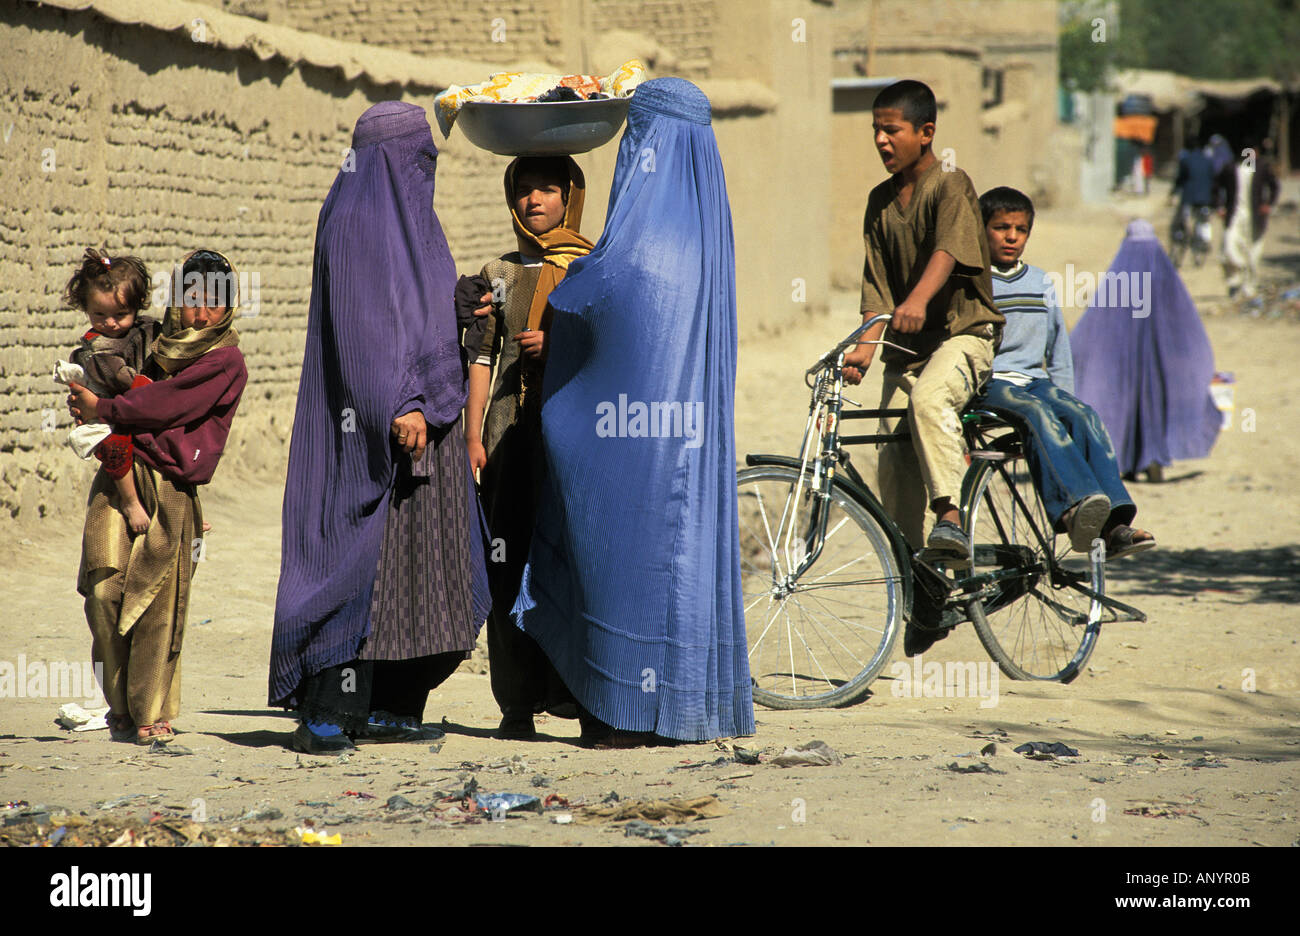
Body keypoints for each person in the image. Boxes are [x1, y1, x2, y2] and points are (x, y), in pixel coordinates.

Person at [511, 77, 754, 746]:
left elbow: (597, 297)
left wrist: (562, 283)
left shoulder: (643, 242)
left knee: (624, 562)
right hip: (684, 441)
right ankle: (679, 709)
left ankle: (621, 712)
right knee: (680, 565)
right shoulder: (707, 235)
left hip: (629, 445)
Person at [270, 101, 490, 756]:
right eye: (415, 159)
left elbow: (421, 313)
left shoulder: (417, 223)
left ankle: (394, 704)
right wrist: (399, 404)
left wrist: (462, 306)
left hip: (428, 429)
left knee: (417, 571)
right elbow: (364, 330)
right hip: (374, 431)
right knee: (351, 562)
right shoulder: (359, 220)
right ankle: (326, 708)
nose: (424, 171)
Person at [66, 248, 248, 744]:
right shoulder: (149, 342)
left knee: (157, 606)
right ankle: (117, 702)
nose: (202, 313)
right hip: (117, 472)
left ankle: (150, 712)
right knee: (103, 590)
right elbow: (107, 396)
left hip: (171, 488)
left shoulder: (224, 359)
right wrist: (95, 412)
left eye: (215, 302)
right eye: (192, 301)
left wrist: (105, 409)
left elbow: (164, 404)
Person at [841, 79, 1004, 560]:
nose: (880, 141)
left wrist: (916, 301)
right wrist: (867, 346)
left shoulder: (951, 183)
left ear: (926, 132)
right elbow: (877, 288)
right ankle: (920, 582)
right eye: (876, 130)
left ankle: (950, 516)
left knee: (930, 400)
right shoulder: (879, 202)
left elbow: (948, 251)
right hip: (909, 351)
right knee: (891, 455)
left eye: (891, 130)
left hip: (964, 336)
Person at [461, 156, 593, 740]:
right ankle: (516, 706)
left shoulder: (595, 269)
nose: (533, 200)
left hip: (574, 443)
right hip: (507, 440)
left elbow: (611, 352)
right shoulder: (499, 272)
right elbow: (481, 357)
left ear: (571, 197)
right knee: (506, 562)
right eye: (523, 190)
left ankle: (578, 696)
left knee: (570, 563)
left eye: (547, 189)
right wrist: (472, 436)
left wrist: (561, 344)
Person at [975, 186, 1155, 558]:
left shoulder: (1039, 282)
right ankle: (1074, 509)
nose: (1012, 237)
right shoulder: (974, 283)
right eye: (1001, 227)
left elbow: (1057, 348)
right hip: (992, 381)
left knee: (1082, 414)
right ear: (981, 230)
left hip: (1034, 380)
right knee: (1036, 414)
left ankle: (1114, 523)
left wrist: (1066, 395)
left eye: (1021, 229)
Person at [1071, 219, 1221, 480]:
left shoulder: (1118, 279)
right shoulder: (1165, 275)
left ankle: (1130, 462)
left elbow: (1092, 327)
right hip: (1161, 361)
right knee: (1154, 398)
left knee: (1126, 401)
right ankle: (1151, 463)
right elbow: (1188, 327)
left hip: (1123, 364)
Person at [57, 249, 159, 535]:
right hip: (104, 415)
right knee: (116, 447)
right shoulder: (98, 350)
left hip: (137, 410)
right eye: (99, 314)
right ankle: (130, 501)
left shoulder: (146, 329)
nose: (110, 323)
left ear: (137, 307)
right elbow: (125, 381)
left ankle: (182, 511)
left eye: (120, 314)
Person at [1215, 139, 1280, 299]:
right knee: (1228, 249)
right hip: (1234, 216)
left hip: (1255, 217)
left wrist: (1268, 204)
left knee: (1253, 254)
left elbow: (1274, 186)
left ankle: (1249, 288)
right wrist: (1220, 206)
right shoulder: (1230, 168)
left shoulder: (1261, 168)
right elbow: (1216, 187)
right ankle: (1234, 279)